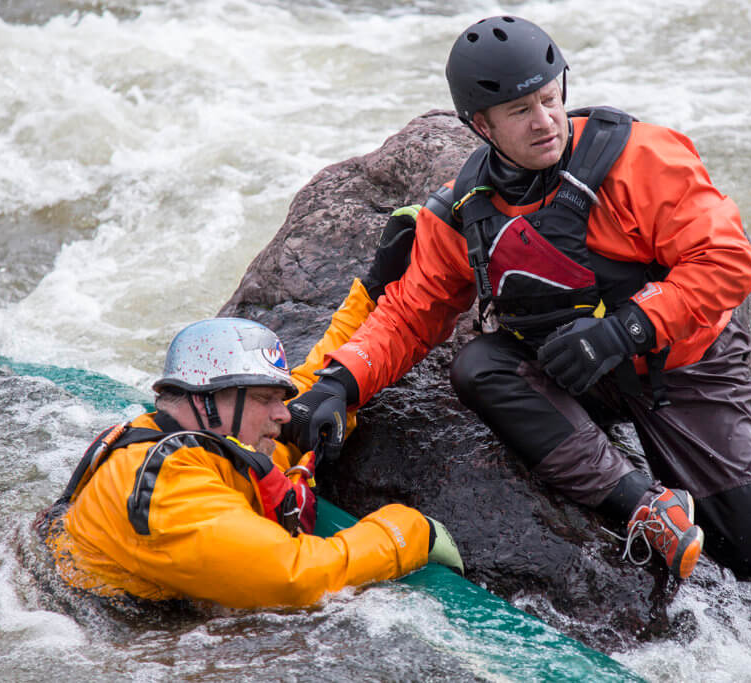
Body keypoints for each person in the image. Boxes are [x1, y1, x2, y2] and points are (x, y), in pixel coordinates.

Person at [296, 16, 751, 581]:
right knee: (479, 364)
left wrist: (623, 331)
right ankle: (645, 509)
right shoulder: (465, 208)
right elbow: (411, 313)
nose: (545, 122)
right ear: (481, 124)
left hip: (680, 367)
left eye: (550, 100)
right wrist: (339, 384)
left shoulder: (642, 160)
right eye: (520, 112)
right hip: (572, 372)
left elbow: (725, 262)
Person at [38, 210, 463, 610]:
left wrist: (374, 292)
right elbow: (295, 577)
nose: (282, 414)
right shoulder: (168, 488)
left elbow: (306, 394)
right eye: (266, 400)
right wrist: (406, 532)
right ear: (207, 400)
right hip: (103, 632)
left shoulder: (204, 443)